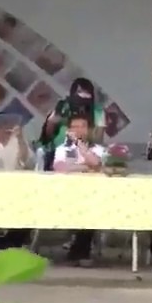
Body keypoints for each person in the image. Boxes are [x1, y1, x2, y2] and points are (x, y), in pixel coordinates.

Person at [53, 113, 105, 266]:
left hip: (91, 195)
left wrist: (79, 145)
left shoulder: (98, 149)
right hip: (65, 194)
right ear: (68, 130)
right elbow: (60, 168)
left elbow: (95, 163)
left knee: (90, 208)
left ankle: (79, 252)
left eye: (82, 127)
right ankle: (78, 252)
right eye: (74, 127)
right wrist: (85, 167)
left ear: (89, 130)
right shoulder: (62, 149)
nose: (78, 130)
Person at [39, 77, 104, 171]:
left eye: (86, 92)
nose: (82, 96)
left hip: (87, 150)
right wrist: (56, 116)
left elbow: (98, 139)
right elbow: (47, 134)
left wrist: (79, 141)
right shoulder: (64, 106)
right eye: (79, 92)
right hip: (60, 148)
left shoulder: (98, 111)